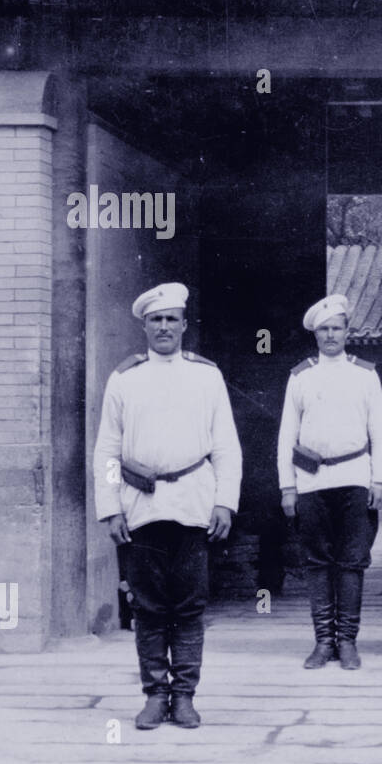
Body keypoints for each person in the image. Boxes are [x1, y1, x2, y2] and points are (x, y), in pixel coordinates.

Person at [92, 283, 241, 730]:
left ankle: (185, 696)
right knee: (149, 606)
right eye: (155, 319)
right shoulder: (124, 378)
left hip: (194, 502)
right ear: (144, 326)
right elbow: (107, 452)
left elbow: (226, 447)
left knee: (190, 605)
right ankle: (155, 695)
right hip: (141, 507)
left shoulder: (206, 375)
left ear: (184, 326)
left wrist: (224, 502)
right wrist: (111, 507)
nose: (163, 327)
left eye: (171, 319)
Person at [277, 294, 382, 670]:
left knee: (352, 561)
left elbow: (381, 432)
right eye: (324, 329)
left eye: (337, 328)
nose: (330, 335)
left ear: (347, 331)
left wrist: (379, 481)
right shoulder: (301, 376)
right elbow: (286, 436)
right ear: (315, 334)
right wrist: (288, 487)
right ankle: (323, 641)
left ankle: (347, 641)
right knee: (318, 561)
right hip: (311, 481)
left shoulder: (365, 374)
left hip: (355, 476)